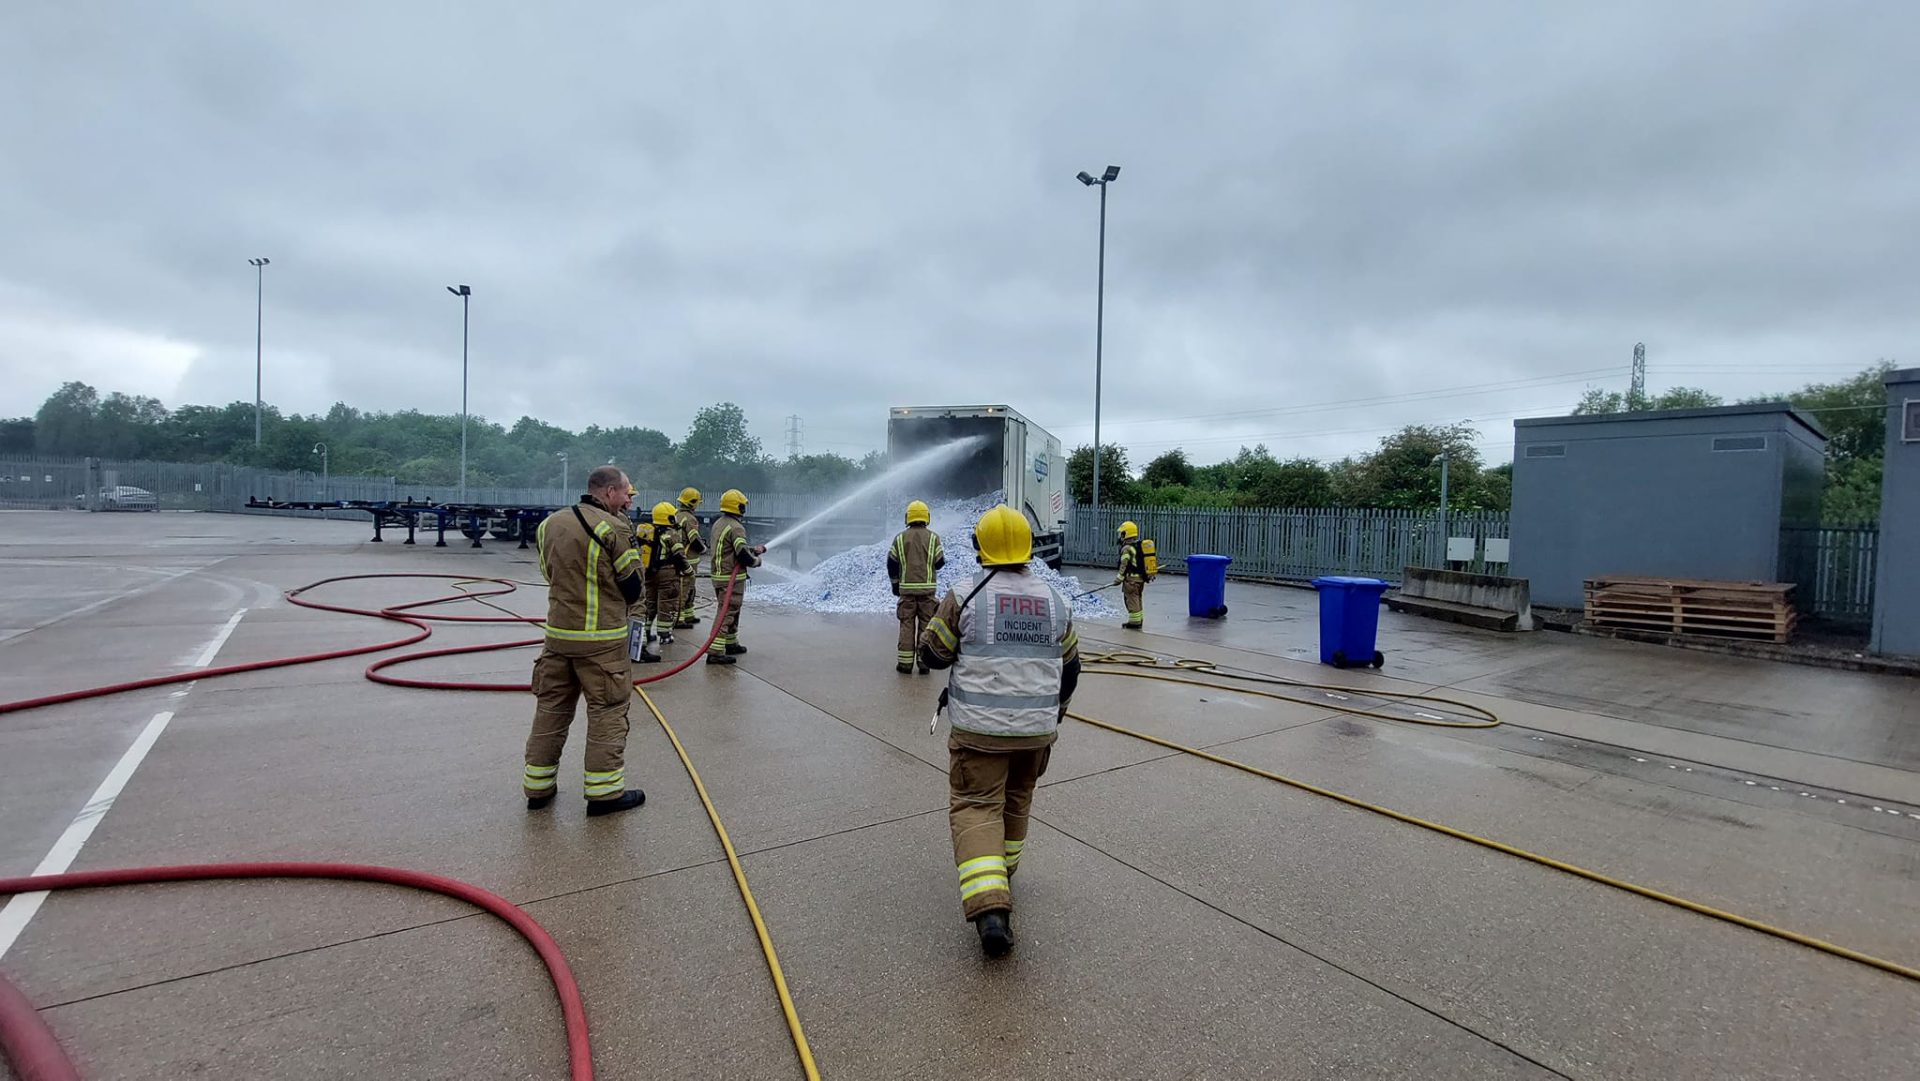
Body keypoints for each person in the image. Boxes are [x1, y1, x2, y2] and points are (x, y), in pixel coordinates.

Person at [920, 504, 1080, 958]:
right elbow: (1072, 668)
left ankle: (991, 911)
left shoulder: (965, 594)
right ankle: (1003, 875)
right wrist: (1057, 713)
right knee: (1016, 802)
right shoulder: (1056, 600)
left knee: (976, 807)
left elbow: (933, 655)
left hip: (979, 735)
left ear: (979, 547)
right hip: (1037, 734)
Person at [522, 465, 648, 817]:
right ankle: (604, 793)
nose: (628, 500)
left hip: (558, 637)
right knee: (607, 712)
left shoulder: (550, 524)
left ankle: (538, 787)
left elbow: (550, 574)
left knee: (551, 710)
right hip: (602, 641)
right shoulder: (615, 527)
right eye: (625, 493)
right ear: (608, 492)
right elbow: (633, 586)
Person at [706, 488, 765, 666]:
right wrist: (756, 561)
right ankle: (716, 652)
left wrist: (751, 549)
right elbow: (742, 556)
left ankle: (731, 643)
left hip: (719, 575)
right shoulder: (737, 527)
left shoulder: (720, 523)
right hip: (729, 578)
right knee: (727, 612)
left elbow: (732, 548)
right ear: (739, 507)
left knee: (732, 611)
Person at [887, 499, 946, 674]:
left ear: (908, 518)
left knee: (907, 625)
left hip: (906, 592)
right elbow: (940, 562)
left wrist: (895, 585)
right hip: (928, 593)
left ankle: (905, 664)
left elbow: (891, 563)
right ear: (926, 517)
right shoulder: (934, 538)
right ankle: (924, 663)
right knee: (926, 625)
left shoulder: (900, 538)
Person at [636, 501, 690, 663]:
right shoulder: (672, 535)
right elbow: (680, 555)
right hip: (667, 574)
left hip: (648, 574)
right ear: (669, 518)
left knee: (649, 603)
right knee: (667, 603)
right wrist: (688, 571)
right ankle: (665, 635)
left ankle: (645, 633)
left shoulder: (648, 533)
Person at [673, 488, 707, 629]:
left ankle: (688, 615)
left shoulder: (676, 515)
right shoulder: (690, 518)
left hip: (679, 557)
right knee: (685, 588)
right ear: (692, 503)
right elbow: (694, 540)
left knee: (689, 588)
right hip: (688, 560)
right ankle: (679, 619)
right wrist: (704, 549)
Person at [1115, 519, 1155, 630]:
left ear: (1125, 533)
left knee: (1131, 600)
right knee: (1137, 599)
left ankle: (1134, 622)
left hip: (1131, 580)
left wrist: (1118, 578)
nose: (1120, 536)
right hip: (1140, 580)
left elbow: (1124, 565)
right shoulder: (1138, 546)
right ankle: (1139, 620)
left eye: (1121, 533)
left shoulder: (1127, 549)